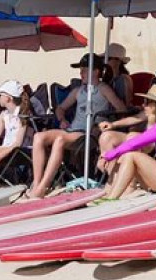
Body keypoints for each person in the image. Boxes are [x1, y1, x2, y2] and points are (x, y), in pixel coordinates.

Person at [29, 53, 126, 198]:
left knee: (60, 140)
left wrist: (106, 119)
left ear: (96, 71)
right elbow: (60, 108)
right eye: (80, 70)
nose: (81, 73)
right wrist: (62, 119)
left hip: (88, 131)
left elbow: (121, 109)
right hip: (72, 130)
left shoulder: (103, 88)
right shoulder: (78, 91)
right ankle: (37, 183)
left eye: (84, 70)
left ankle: (43, 187)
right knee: (38, 137)